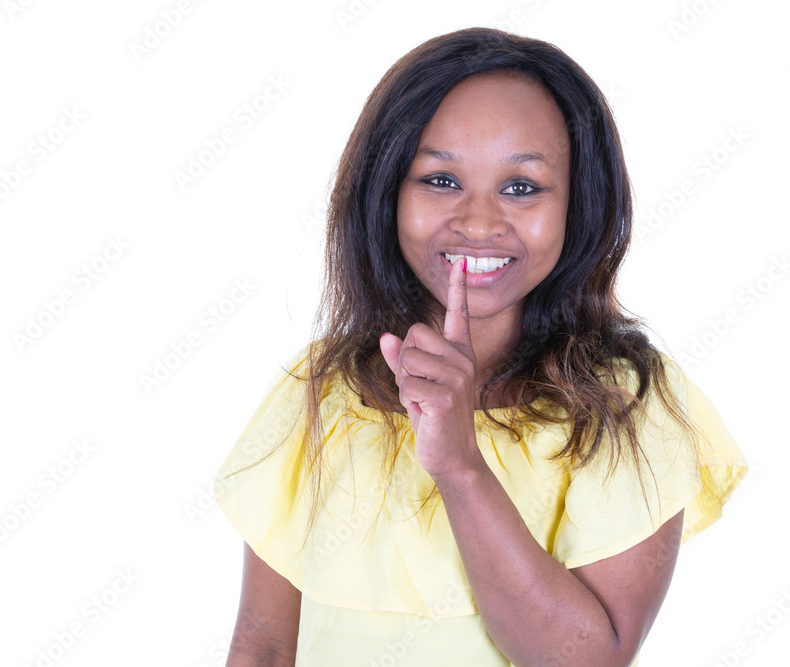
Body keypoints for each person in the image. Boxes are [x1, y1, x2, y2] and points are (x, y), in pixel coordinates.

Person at [213, 27, 747, 666]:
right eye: (440, 179)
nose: (477, 221)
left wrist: (460, 465)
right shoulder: (322, 392)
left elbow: (585, 660)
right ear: (387, 193)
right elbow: (266, 648)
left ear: (578, 205)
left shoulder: (626, 403)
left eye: (522, 187)